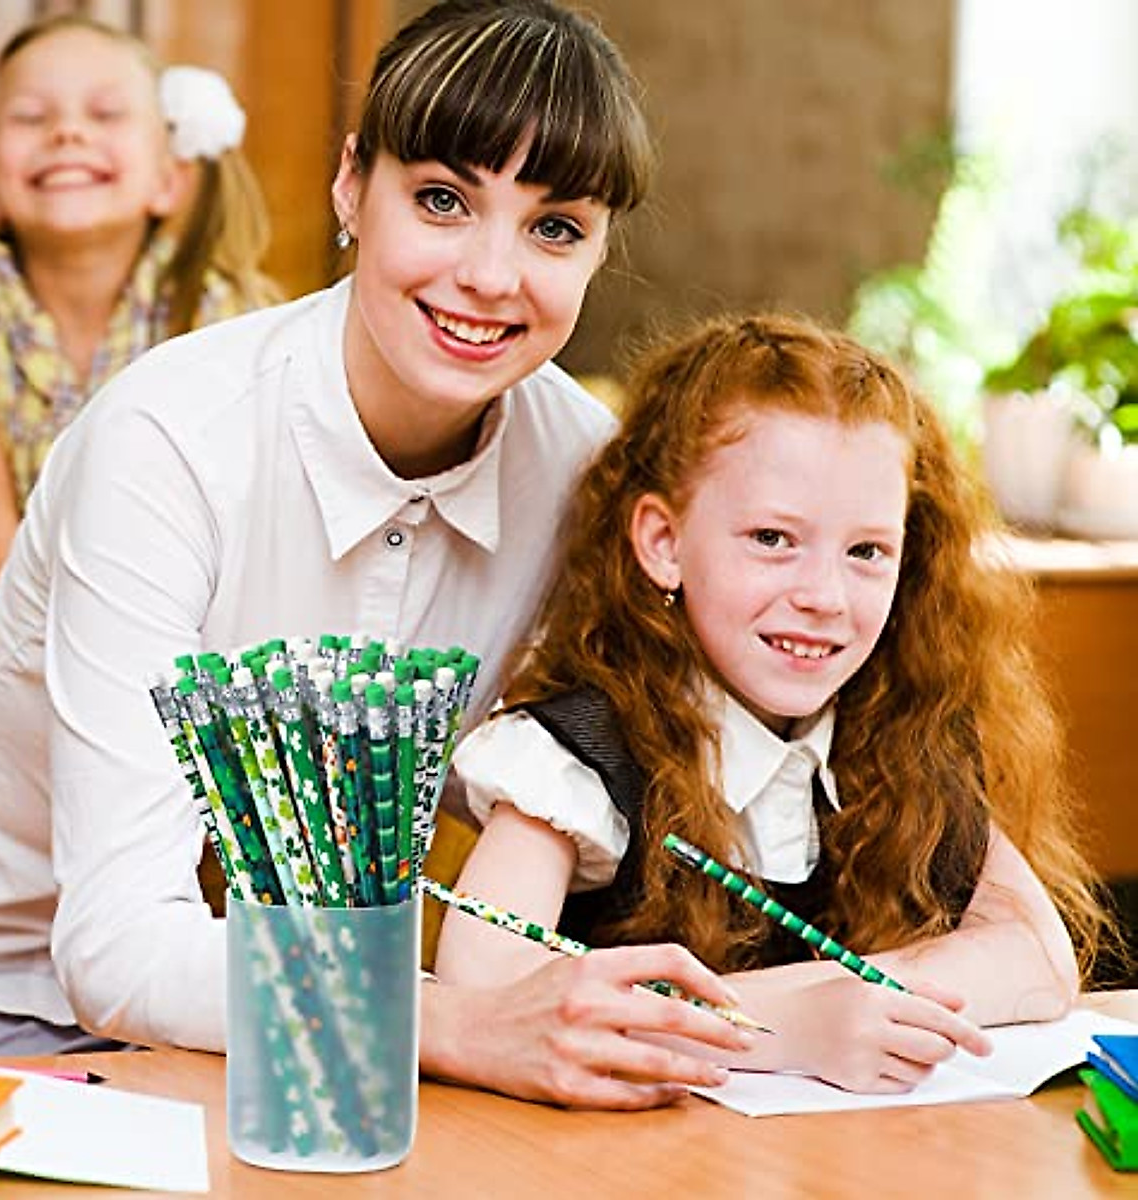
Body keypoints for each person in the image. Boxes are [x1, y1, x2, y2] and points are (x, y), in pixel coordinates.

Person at [0, 0, 751, 1105]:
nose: (491, 275)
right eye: (442, 200)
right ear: (349, 186)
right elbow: (116, 950)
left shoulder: (582, 471)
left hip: (310, 1012)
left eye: (554, 227)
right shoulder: (167, 441)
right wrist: (456, 1020)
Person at [436, 311, 1113, 1098]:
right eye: (772, 539)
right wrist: (789, 1028)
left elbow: (1036, 954)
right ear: (663, 542)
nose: (824, 597)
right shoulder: (578, 751)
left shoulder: (902, 730)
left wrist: (862, 998)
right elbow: (485, 985)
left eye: (866, 552)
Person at [0, 14, 279, 681]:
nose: (68, 132)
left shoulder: (224, 316)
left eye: (106, 112)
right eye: (31, 116)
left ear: (169, 179)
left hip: (158, 658)